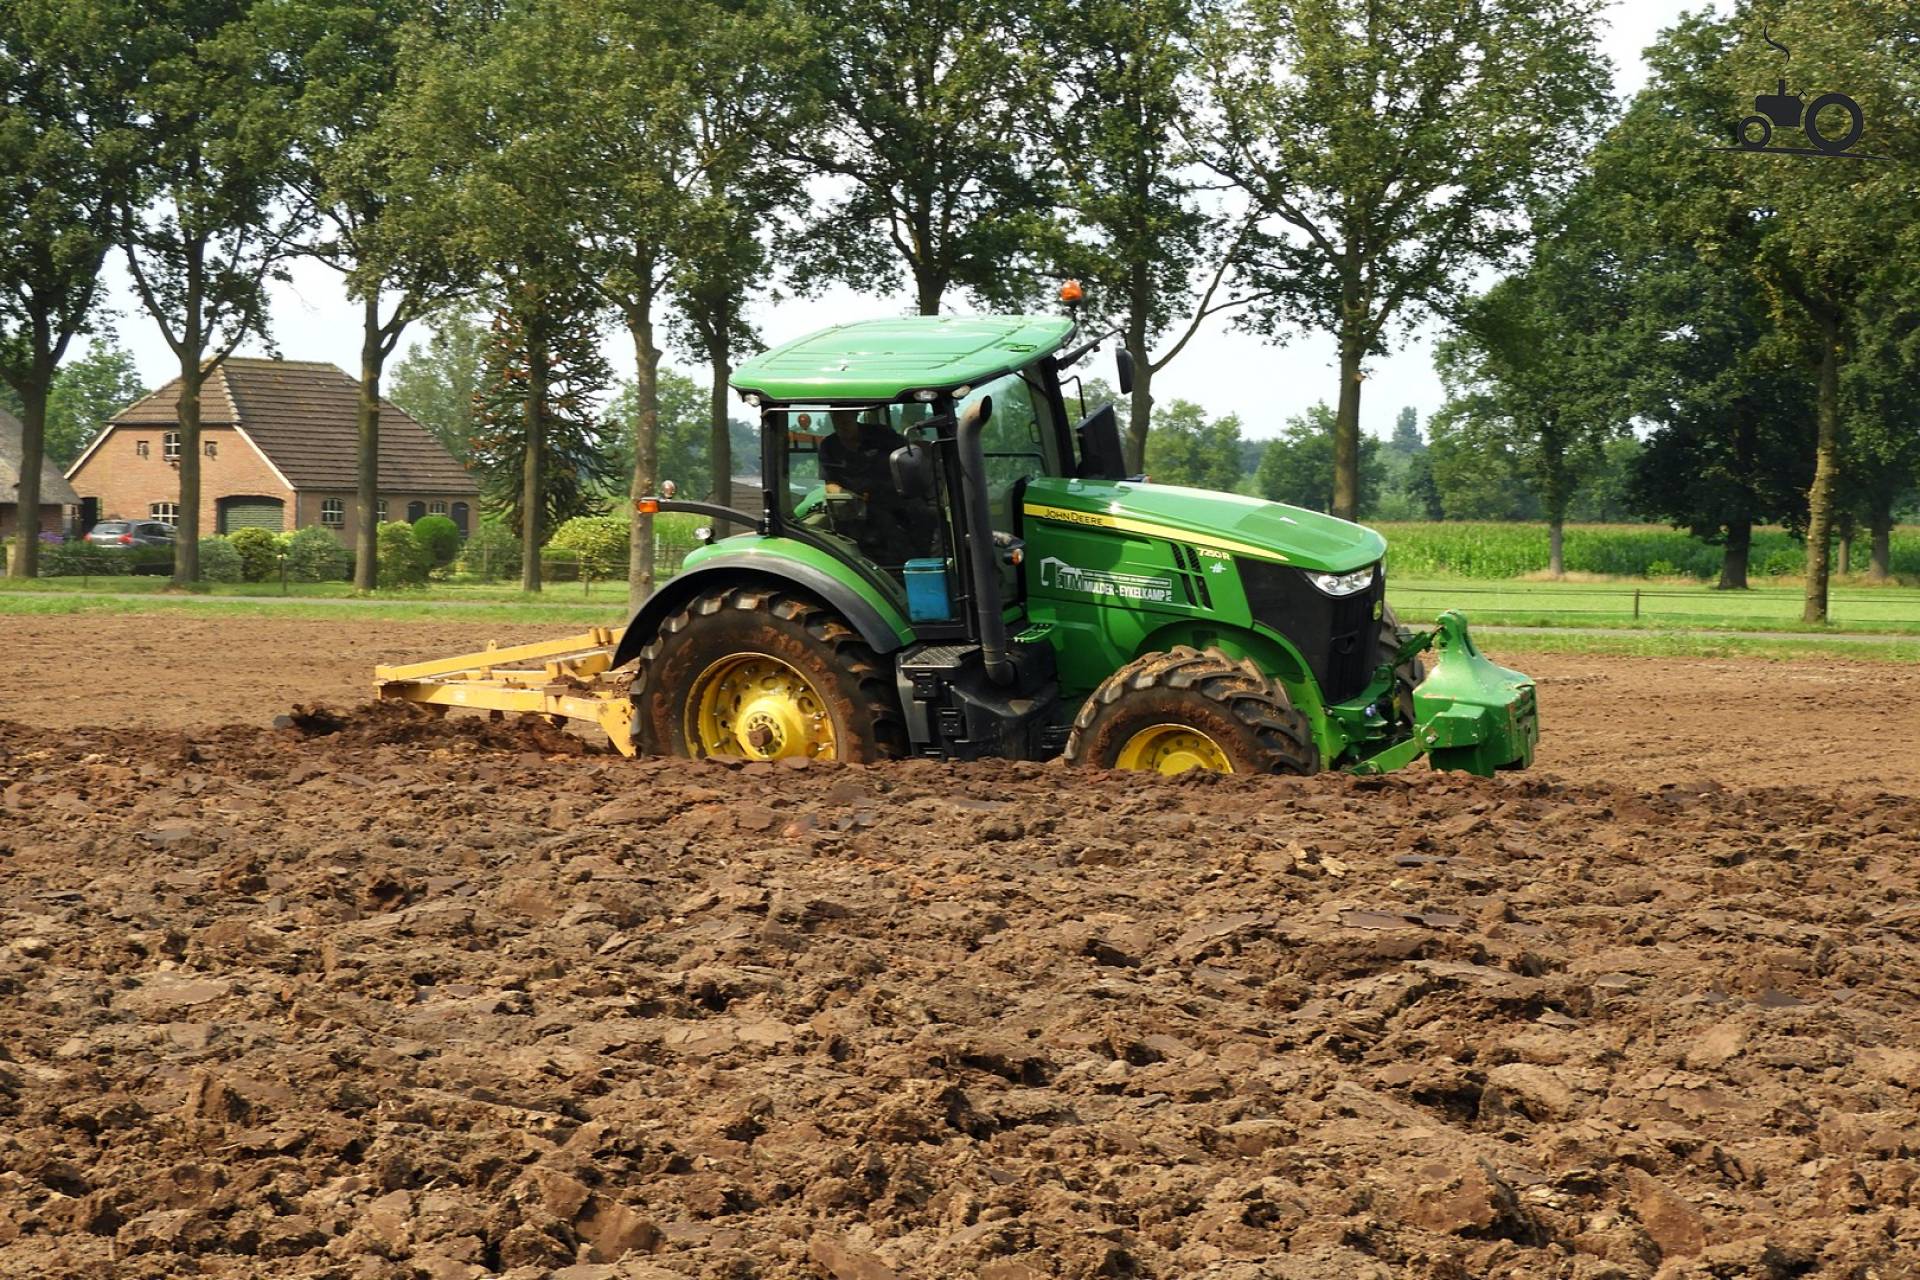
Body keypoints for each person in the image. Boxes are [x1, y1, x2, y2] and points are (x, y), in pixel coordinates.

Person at [817, 409, 926, 564]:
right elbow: (830, 484)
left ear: (856, 415)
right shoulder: (829, 446)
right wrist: (851, 497)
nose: (842, 426)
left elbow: (909, 457)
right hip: (855, 513)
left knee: (928, 519)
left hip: (896, 506)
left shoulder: (882, 435)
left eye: (845, 421)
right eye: (837, 422)